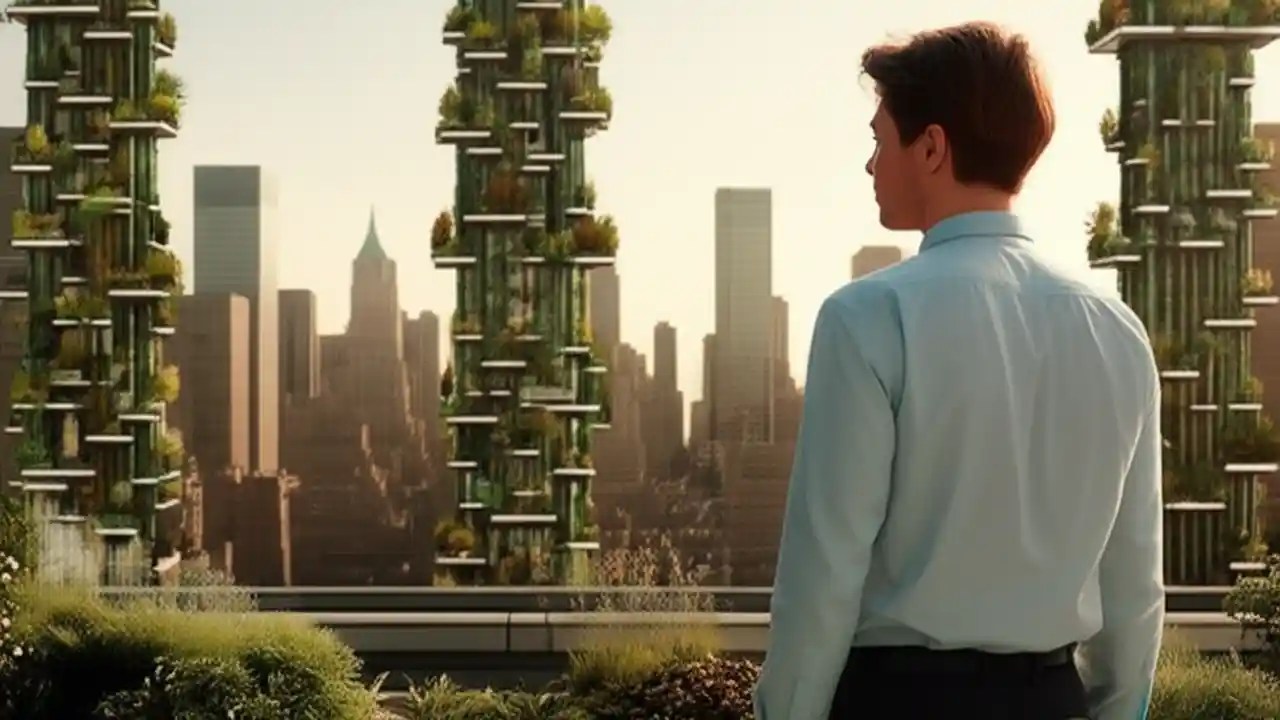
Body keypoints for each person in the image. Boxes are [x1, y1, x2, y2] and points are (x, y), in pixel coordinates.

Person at [753, 21, 1164, 720]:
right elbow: (1134, 591)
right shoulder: (1117, 332)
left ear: (933, 147)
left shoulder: (868, 317)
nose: (870, 163)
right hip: (1052, 701)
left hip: (899, 700)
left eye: (880, 139)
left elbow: (824, 577)